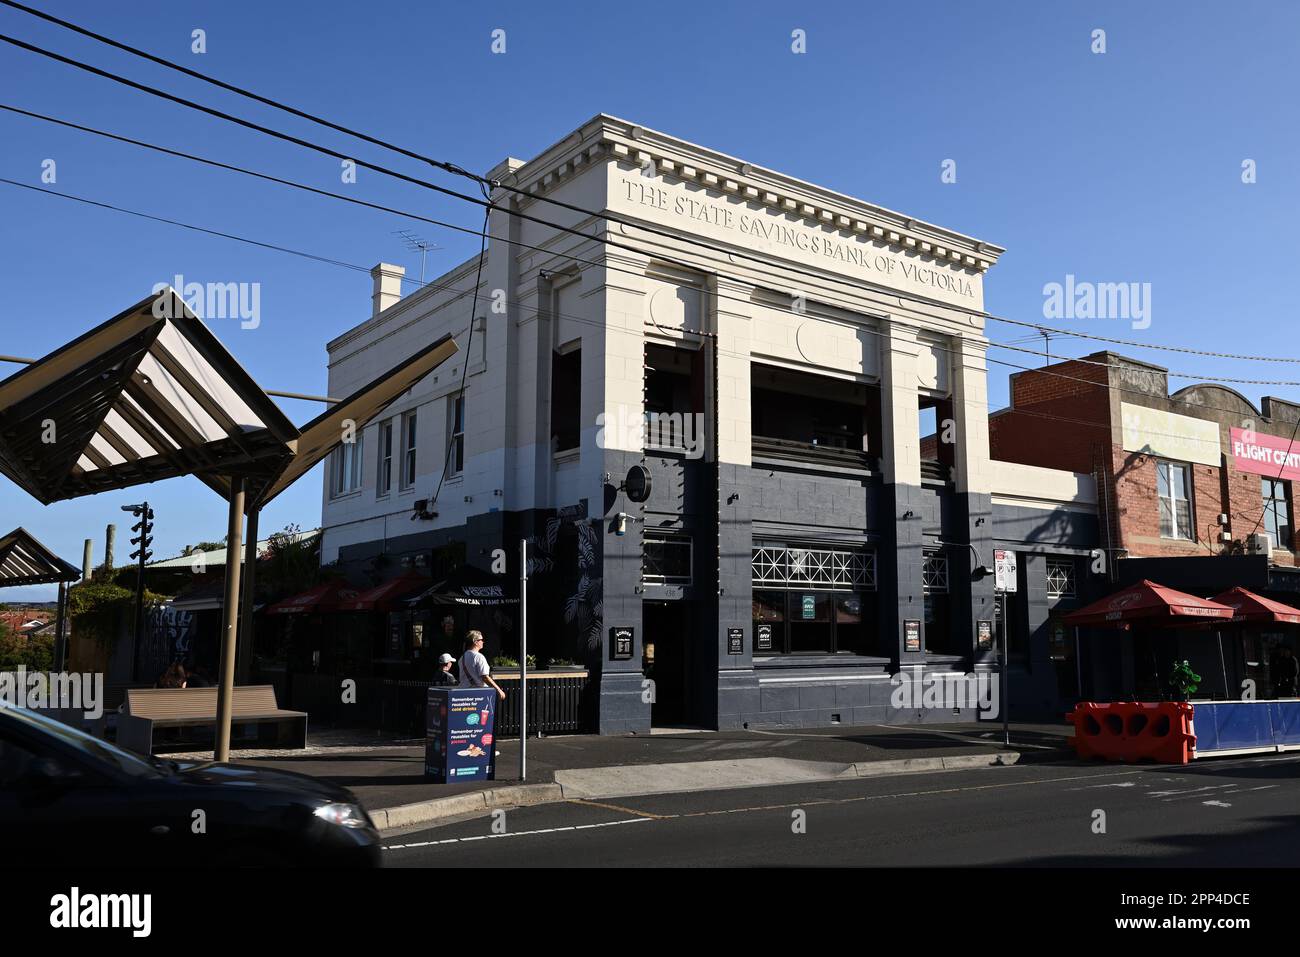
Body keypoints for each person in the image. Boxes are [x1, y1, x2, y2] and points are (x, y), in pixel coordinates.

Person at [458, 630, 506, 700]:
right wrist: (499, 690)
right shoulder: (478, 657)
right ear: (475, 642)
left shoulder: (462, 658)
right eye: (481, 640)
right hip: (477, 695)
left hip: (463, 694)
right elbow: (485, 677)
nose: (483, 642)